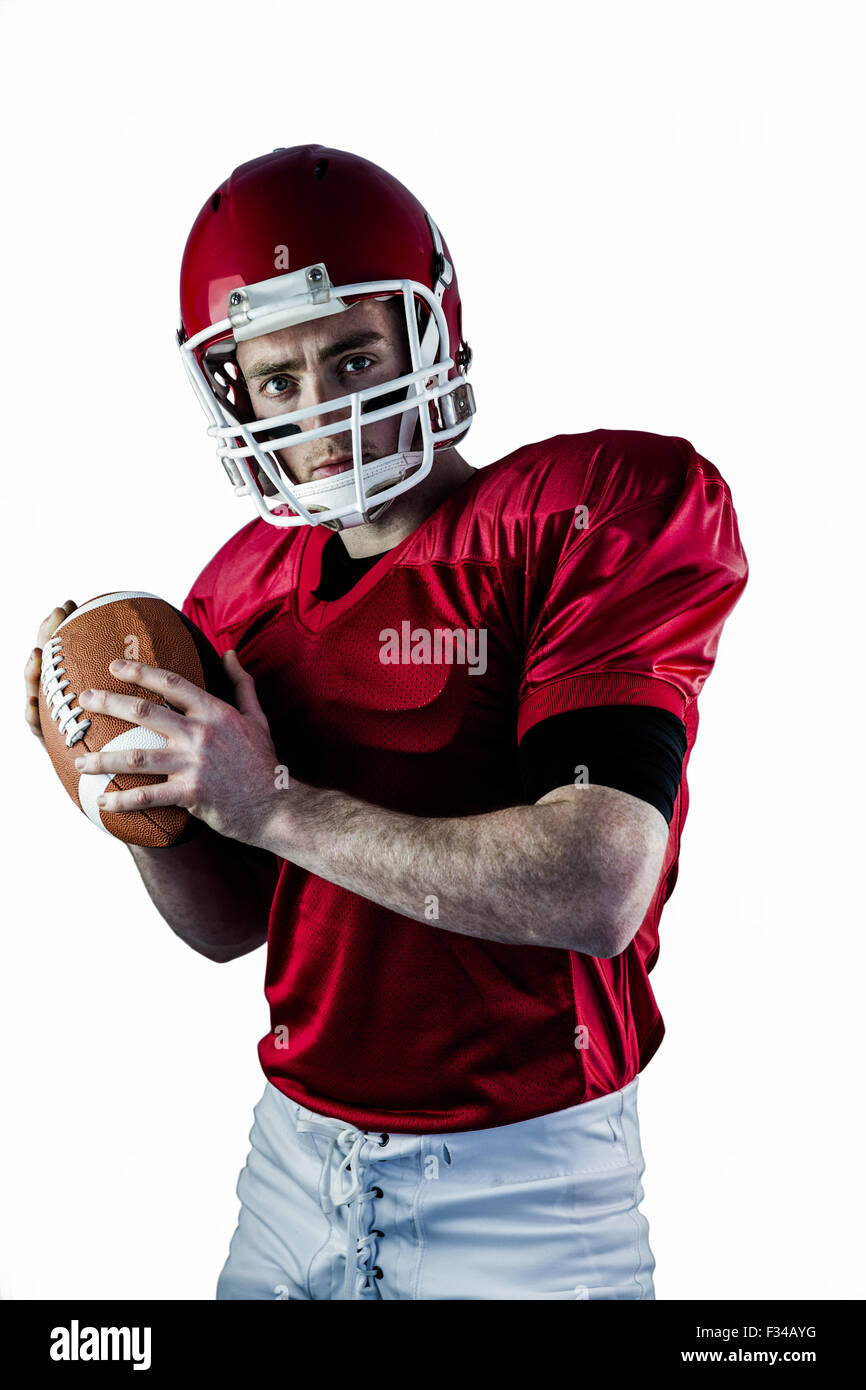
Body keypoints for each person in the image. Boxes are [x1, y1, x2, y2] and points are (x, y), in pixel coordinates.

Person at [25, 145, 749, 1300]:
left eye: (352, 357)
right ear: (232, 393)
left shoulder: (581, 515)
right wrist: (140, 802)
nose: (324, 412)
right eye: (278, 381)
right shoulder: (235, 594)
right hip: (288, 1165)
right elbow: (230, 927)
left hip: (521, 1187)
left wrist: (269, 802)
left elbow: (595, 885)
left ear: (428, 338)